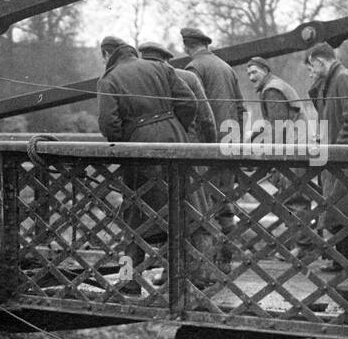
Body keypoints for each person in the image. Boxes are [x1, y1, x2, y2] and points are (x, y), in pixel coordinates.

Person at [96, 36, 212, 290]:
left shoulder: (109, 79)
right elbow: (188, 102)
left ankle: (128, 279)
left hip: (140, 150)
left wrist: (127, 140)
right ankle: (182, 279)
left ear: (107, 55)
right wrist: (175, 128)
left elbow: (108, 123)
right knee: (181, 211)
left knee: (134, 216)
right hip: (175, 142)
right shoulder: (160, 67)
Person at [306, 42, 348, 271]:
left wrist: (336, 150)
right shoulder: (331, 81)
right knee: (338, 211)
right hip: (342, 160)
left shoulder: (343, 78)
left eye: (312, 66)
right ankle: (346, 265)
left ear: (320, 61)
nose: (311, 71)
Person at [245, 56, 316, 256]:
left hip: (292, 150)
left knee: (295, 198)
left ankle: (304, 247)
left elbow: (278, 126)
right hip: (298, 147)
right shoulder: (276, 86)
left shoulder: (272, 90)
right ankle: (302, 244)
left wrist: (264, 150)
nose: (251, 77)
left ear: (266, 71)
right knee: (296, 198)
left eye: (254, 72)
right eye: (248, 73)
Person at [182, 26, 246, 241]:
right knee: (225, 199)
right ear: (206, 44)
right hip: (230, 140)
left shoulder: (194, 68)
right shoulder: (226, 67)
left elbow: (196, 110)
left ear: (186, 46)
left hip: (208, 143)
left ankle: (209, 259)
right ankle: (228, 253)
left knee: (205, 203)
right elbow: (240, 107)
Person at [138, 41, 216, 143]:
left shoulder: (135, 79)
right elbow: (206, 118)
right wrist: (211, 144)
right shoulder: (188, 77)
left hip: (144, 142)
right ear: (166, 59)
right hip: (186, 142)